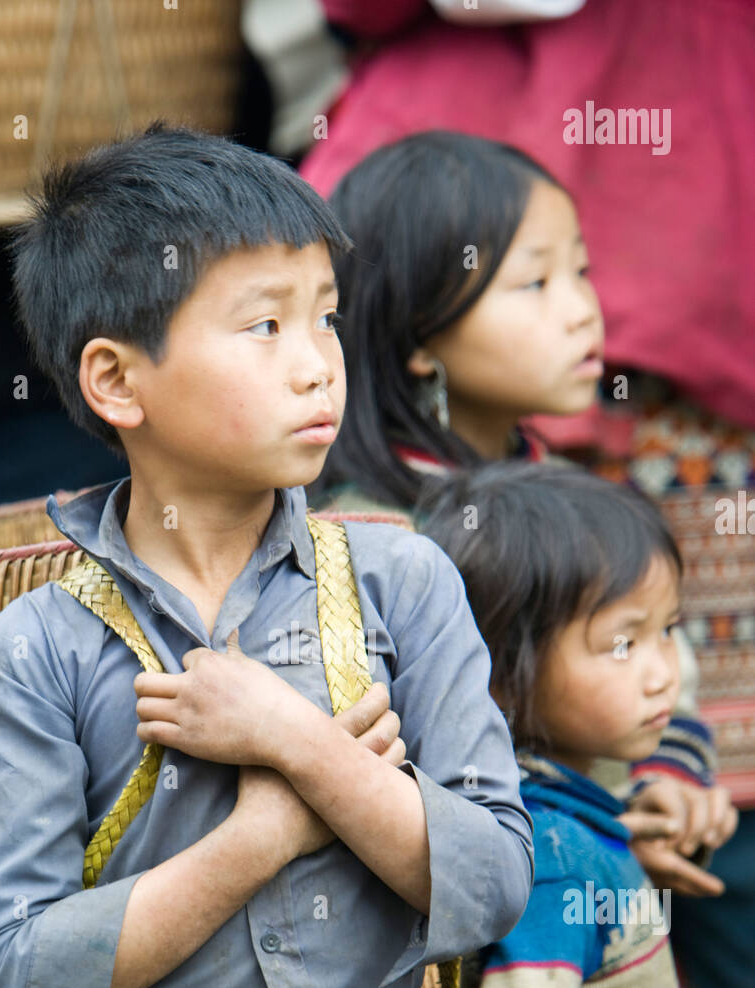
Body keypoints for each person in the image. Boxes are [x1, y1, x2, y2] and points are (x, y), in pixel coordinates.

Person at [0, 122, 534, 988]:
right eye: (263, 325)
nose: (318, 361)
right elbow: (32, 974)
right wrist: (275, 827)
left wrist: (299, 744)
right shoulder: (33, 653)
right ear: (117, 379)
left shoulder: (399, 582)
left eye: (324, 315)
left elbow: (488, 882)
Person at [307, 130, 737, 905]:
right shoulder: (371, 541)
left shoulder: (567, 492)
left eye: (581, 272)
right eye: (535, 284)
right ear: (419, 336)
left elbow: (656, 661)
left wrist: (664, 784)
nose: (583, 313)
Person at [421, 462, 719, 988]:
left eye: (669, 631)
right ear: (505, 666)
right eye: (625, 642)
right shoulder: (553, 850)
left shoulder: (578, 820)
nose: (664, 670)